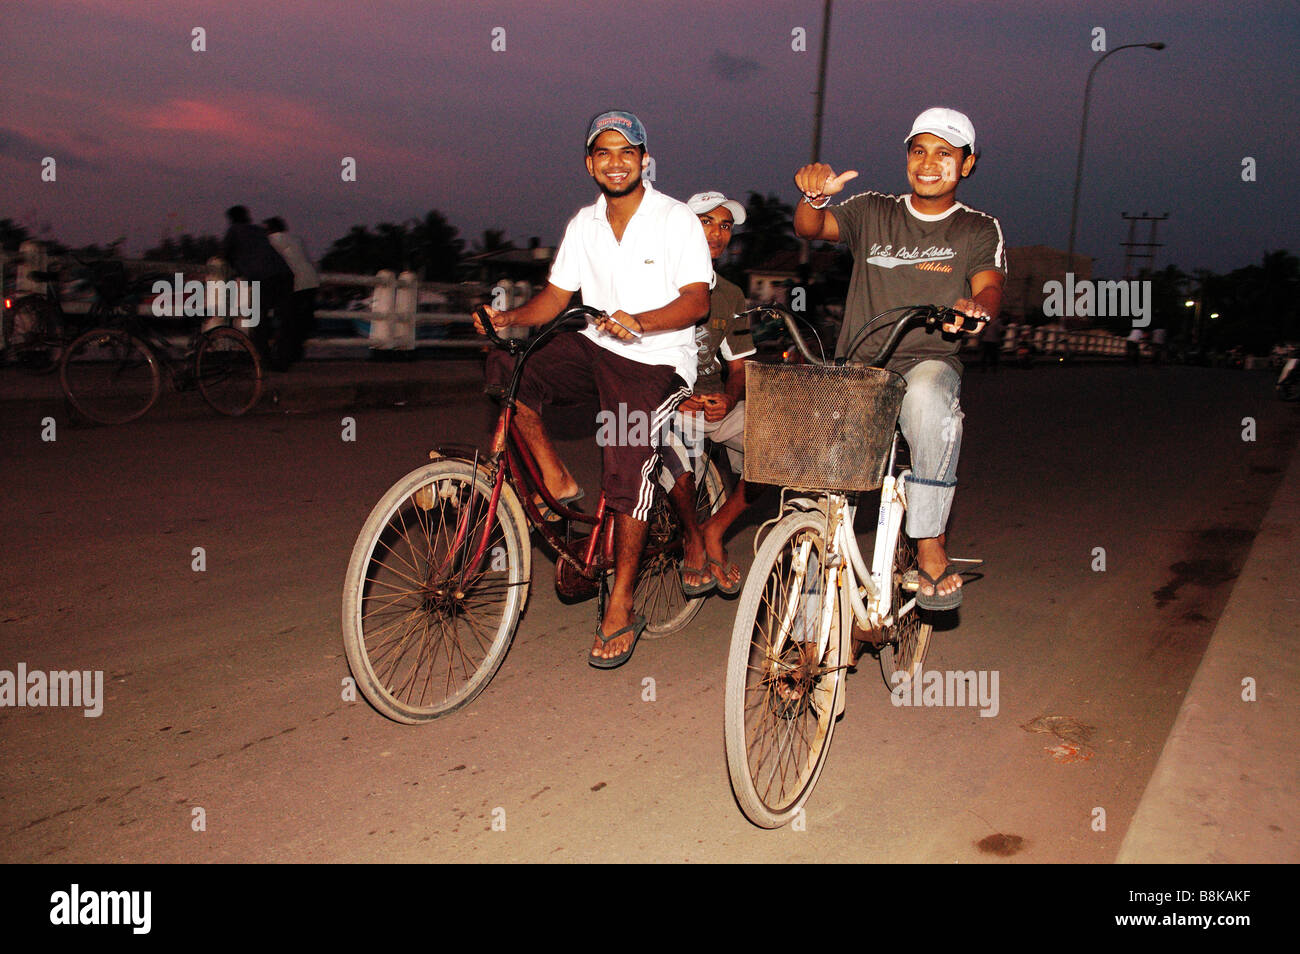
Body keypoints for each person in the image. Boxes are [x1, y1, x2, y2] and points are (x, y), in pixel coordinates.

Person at [478, 110, 711, 668]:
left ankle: (623, 600)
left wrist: (642, 321)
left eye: (626, 151)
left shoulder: (676, 219)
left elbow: (697, 300)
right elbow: (556, 298)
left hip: (654, 361)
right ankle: (555, 477)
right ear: (589, 163)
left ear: (643, 160)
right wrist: (507, 320)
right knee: (510, 371)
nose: (615, 161)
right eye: (603, 152)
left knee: (626, 462)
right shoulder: (584, 224)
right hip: (594, 347)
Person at [793, 107, 1006, 610]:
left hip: (928, 360)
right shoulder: (873, 211)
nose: (929, 163)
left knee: (930, 402)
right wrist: (812, 197)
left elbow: (990, 287)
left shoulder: (978, 229)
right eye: (919, 151)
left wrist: (976, 309)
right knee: (816, 487)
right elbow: (810, 227)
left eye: (944, 154)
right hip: (861, 367)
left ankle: (930, 544)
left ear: (967, 164)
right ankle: (802, 616)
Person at [658, 191, 757, 596]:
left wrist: (730, 400)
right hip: (670, 400)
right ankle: (692, 537)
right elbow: (637, 357)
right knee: (677, 465)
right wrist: (678, 397)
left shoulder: (731, 294)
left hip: (717, 404)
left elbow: (739, 367)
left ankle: (714, 528)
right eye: (706, 222)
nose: (717, 233)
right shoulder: (658, 282)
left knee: (782, 450)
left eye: (725, 225)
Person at [221, 206, 294, 368]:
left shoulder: (235, 231)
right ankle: (281, 359)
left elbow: (224, 254)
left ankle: (263, 359)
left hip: (263, 278)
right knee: (283, 319)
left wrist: (237, 267)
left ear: (232, 219)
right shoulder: (259, 231)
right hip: (284, 275)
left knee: (259, 320)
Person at [264, 216, 320, 367]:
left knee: (287, 322)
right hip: (311, 281)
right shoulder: (296, 239)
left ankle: (282, 359)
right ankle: (294, 355)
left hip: (294, 283)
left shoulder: (271, 240)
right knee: (300, 322)